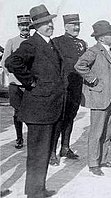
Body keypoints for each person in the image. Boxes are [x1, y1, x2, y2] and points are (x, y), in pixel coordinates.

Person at [5, 4, 64, 197]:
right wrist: (30, 82)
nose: (49, 25)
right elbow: (12, 62)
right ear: (35, 27)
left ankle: (39, 189)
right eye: (44, 23)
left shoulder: (50, 43)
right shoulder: (32, 43)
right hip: (39, 107)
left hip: (50, 106)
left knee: (44, 151)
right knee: (38, 153)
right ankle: (33, 192)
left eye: (49, 22)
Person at [74, 20, 111, 176]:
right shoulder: (93, 51)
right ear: (101, 38)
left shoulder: (109, 50)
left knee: (107, 131)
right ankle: (93, 163)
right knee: (96, 132)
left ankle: (103, 159)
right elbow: (79, 65)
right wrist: (93, 80)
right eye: (109, 34)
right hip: (100, 97)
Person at [49, 14, 87, 166]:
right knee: (58, 119)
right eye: (73, 25)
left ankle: (65, 147)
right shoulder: (56, 42)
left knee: (70, 117)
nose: (76, 27)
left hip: (76, 87)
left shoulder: (82, 43)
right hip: (62, 87)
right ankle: (52, 152)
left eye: (78, 24)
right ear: (65, 27)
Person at [1, 15, 31, 149]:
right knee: (18, 112)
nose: (24, 27)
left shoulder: (34, 42)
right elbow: (4, 62)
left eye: (26, 25)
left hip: (31, 84)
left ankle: (33, 139)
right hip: (16, 85)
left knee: (32, 113)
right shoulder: (12, 41)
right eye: (22, 25)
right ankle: (19, 138)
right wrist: (13, 77)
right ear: (18, 26)